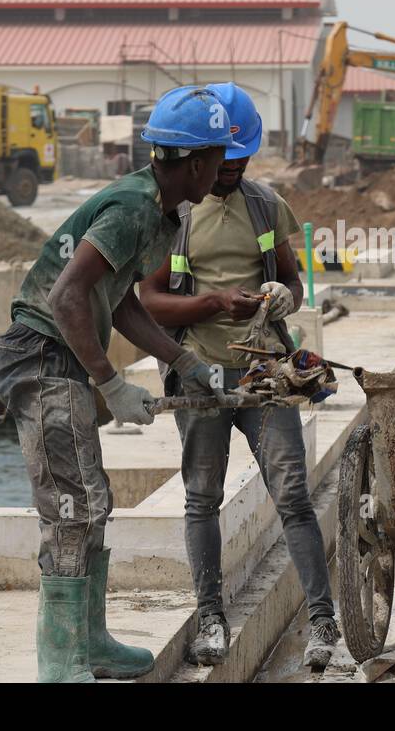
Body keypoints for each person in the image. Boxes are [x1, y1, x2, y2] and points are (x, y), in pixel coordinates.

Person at [0, 86, 242, 683]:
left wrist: (182, 359)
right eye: (219, 158)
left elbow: (118, 298)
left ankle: (90, 642)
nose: (222, 169)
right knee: (71, 506)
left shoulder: (159, 210)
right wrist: (110, 383)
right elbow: (67, 295)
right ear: (197, 162)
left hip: (59, 358)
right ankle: (61, 660)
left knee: (90, 499)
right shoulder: (133, 209)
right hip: (40, 356)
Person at [140, 83, 340, 669]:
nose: (230, 169)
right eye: (222, 159)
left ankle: (323, 622)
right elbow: (147, 300)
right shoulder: (171, 214)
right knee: (202, 499)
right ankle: (210, 616)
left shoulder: (265, 206)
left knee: (293, 496)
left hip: (262, 376)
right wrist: (211, 306)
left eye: (240, 159)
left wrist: (284, 297)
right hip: (199, 375)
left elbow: (294, 282)